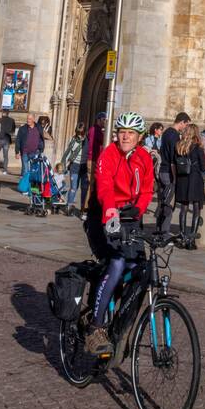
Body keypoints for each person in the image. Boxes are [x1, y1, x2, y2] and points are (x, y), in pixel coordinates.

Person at [85, 112, 155, 355]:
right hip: (102, 217)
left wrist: (139, 210)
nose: (125, 136)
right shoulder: (109, 155)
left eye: (131, 133)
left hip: (130, 219)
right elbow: (104, 186)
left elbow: (147, 190)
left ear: (139, 137)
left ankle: (121, 325)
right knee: (116, 264)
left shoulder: (144, 157)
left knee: (140, 268)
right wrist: (111, 211)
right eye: (122, 132)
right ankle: (95, 328)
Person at [155, 111, 191, 238]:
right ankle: (164, 234)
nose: (186, 128)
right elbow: (173, 160)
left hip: (162, 171)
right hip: (169, 173)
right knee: (169, 204)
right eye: (186, 125)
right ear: (182, 122)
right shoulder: (174, 135)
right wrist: (175, 178)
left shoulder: (166, 133)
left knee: (163, 201)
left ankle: (158, 230)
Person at [174, 123, 205, 248]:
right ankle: (191, 239)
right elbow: (204, 167)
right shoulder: (198, 148)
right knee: (196, 208)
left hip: (182, 180)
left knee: (183, 208)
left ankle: (182, 237)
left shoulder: (178, 146)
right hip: (195, 179)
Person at [62, 122, 89, 217]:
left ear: (84, 132)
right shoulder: (73, 139)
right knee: (73, 188)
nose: (79, 135)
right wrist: (63, 165)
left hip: (85, 167)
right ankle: (69, 207)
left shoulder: (88, 140)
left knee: (85, 189)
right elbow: (67, 152)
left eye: (81, 133)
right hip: (75, 166)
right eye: (78, 133)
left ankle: (83, 209)